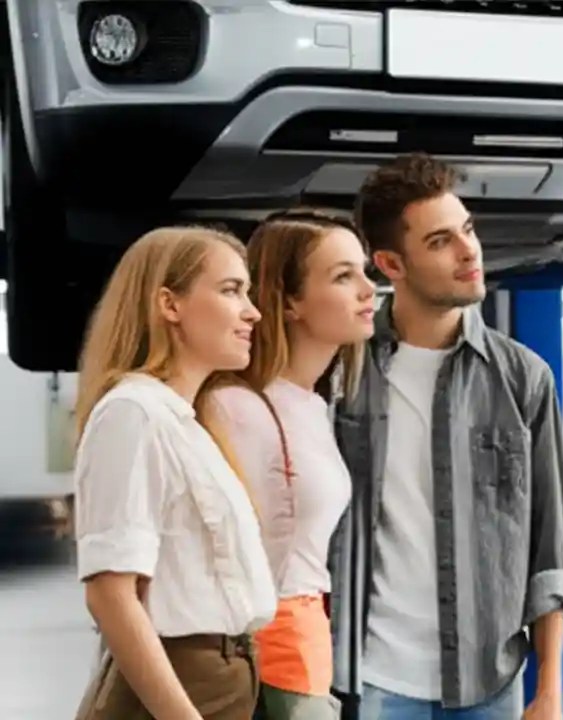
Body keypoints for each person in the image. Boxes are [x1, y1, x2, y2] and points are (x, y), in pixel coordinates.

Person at [327, 153, 563, 720]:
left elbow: (551, 546)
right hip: (375, 679)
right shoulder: (344, 371)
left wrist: (549, 692)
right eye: (440, 241)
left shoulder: (523, 378)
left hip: (489, 682)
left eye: (468, 229)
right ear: (391, 262)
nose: (470, 251)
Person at [70, 226, 278, 720]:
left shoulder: (187, 423)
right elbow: (111, 595)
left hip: (223, 677)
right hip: (180, 685)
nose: (253, 311)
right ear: (170, 304)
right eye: (231, 290)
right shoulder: (134, 413)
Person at [207, 209, 377, 719]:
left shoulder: (312, 405)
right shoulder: (236, 409)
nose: (369, 290)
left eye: (364, 271)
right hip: (270, 663)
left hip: (306, 654)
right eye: (344, 276)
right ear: (289, 302)